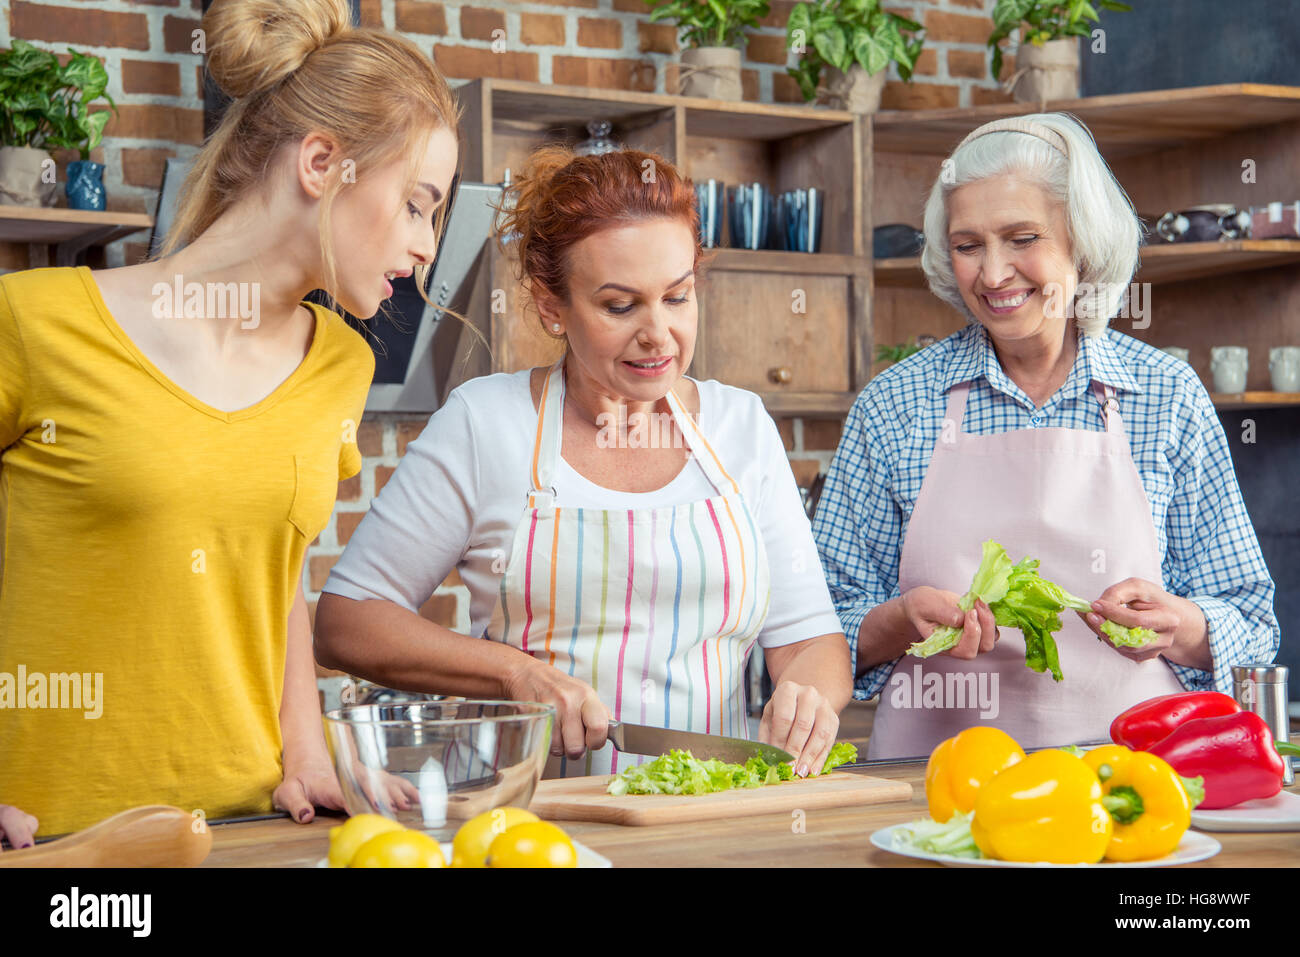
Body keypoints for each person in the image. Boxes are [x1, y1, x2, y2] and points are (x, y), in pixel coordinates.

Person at [0, 0, 459, 847]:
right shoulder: (32, 326)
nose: (428, 244)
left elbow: (273, 572)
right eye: (417, 205)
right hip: (51, 840)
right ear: (322, 162)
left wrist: (307, 749)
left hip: (253, 829)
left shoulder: (339, 367)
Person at [314, 147, 853, 778]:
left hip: (709, 815)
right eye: (620, 306)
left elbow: (811, 640)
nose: (658, 334)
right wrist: (515, 672)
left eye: (677, 297)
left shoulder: (743, 429)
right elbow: (346, 623)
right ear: (552, 305)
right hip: (526, 815)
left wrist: (808, 697)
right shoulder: (487, 424)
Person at [812, 114, 1280, 760]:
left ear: (1081, 243)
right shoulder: (895, 406)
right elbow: (815, 628)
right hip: (931, 790)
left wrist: (1181, 626)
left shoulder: (1167, 397)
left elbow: (1252, 625)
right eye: (968, 244)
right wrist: (895, 622)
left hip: (1128, 785)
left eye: (1021, 237)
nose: (994, 272)